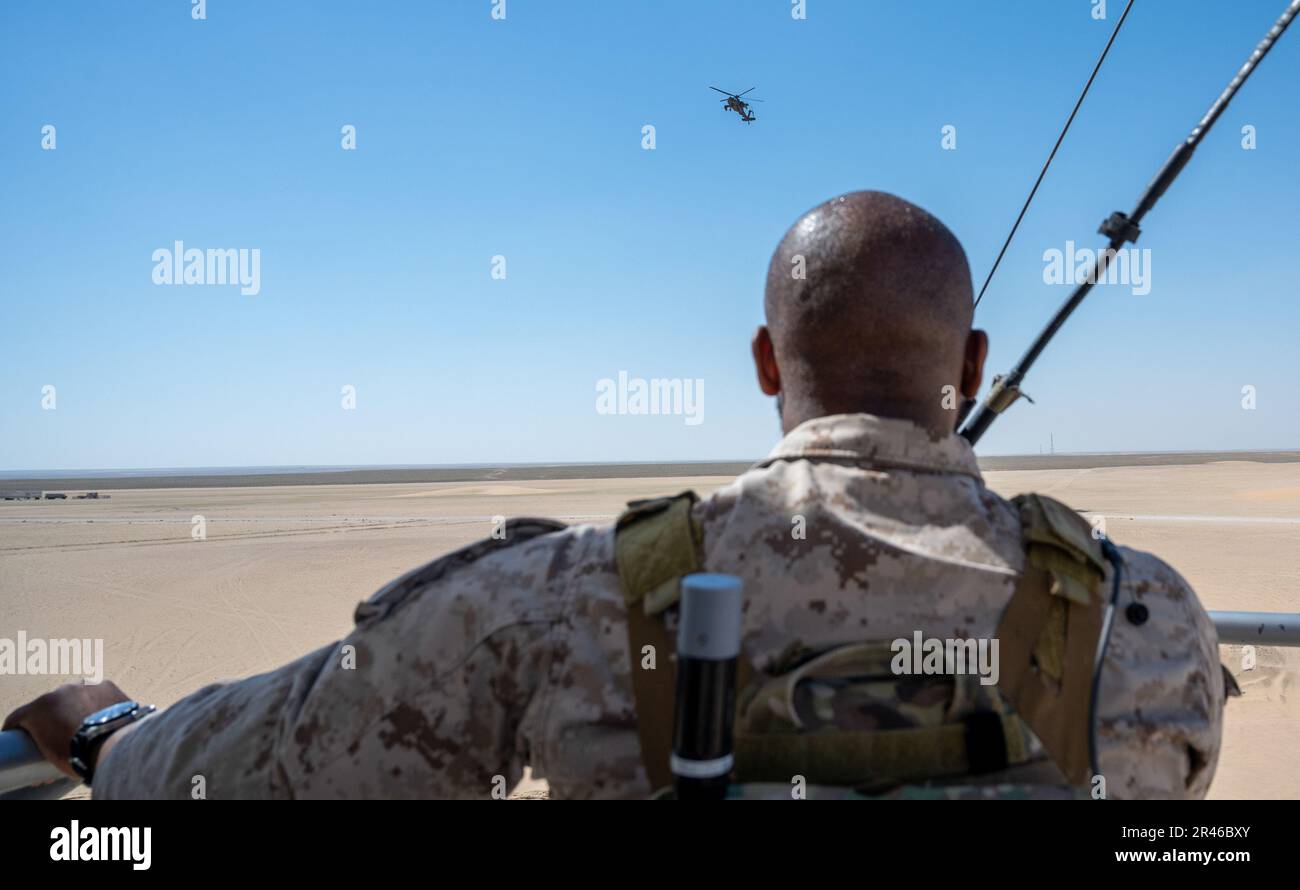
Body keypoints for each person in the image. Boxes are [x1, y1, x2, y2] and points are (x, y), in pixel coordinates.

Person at [3, 191, 1224, 799]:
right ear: (969, 367)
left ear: (762, 361)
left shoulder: (567, 594)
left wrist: (105, 731)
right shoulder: (1150, 620)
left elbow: (258, 769)